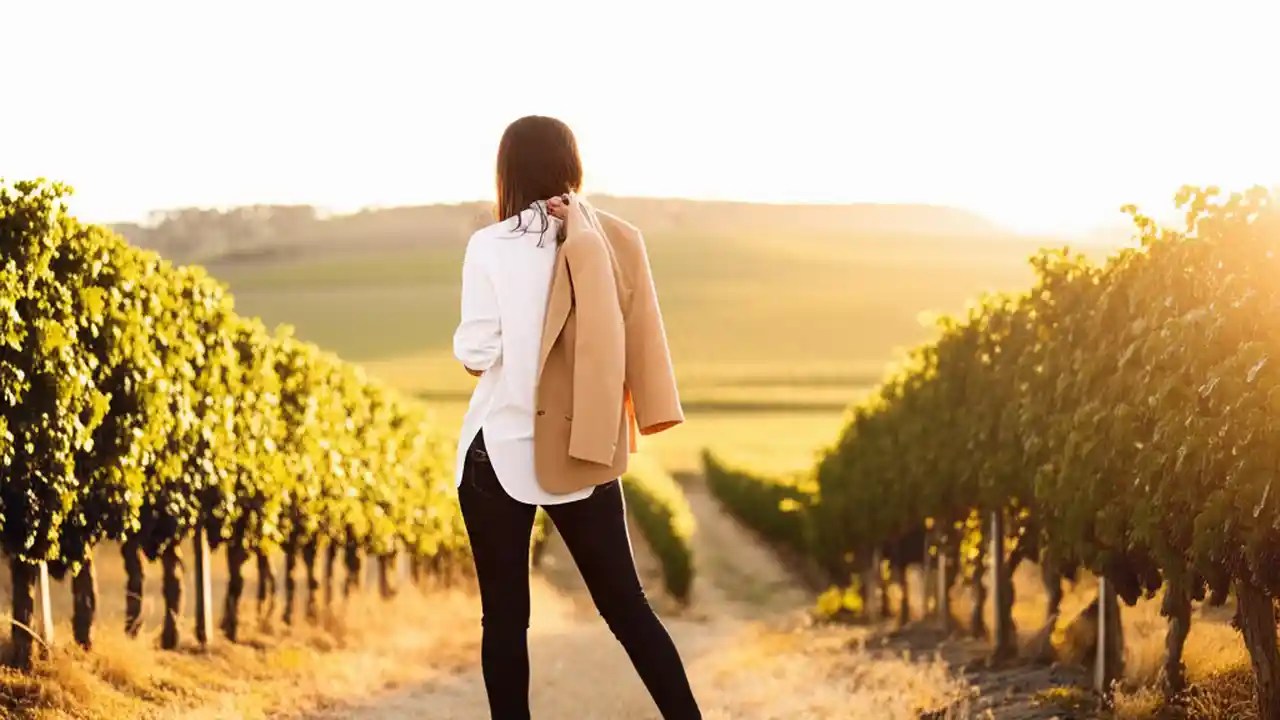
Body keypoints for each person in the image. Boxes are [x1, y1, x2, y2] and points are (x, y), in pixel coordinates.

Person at [451, 115, 702, 720]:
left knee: (504, 619)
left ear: (508, 171)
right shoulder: (615, 239)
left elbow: (477, 350)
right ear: (572, 165)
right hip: (582, 445)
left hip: (497, 452)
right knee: (628, 608)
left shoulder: (491, 245)